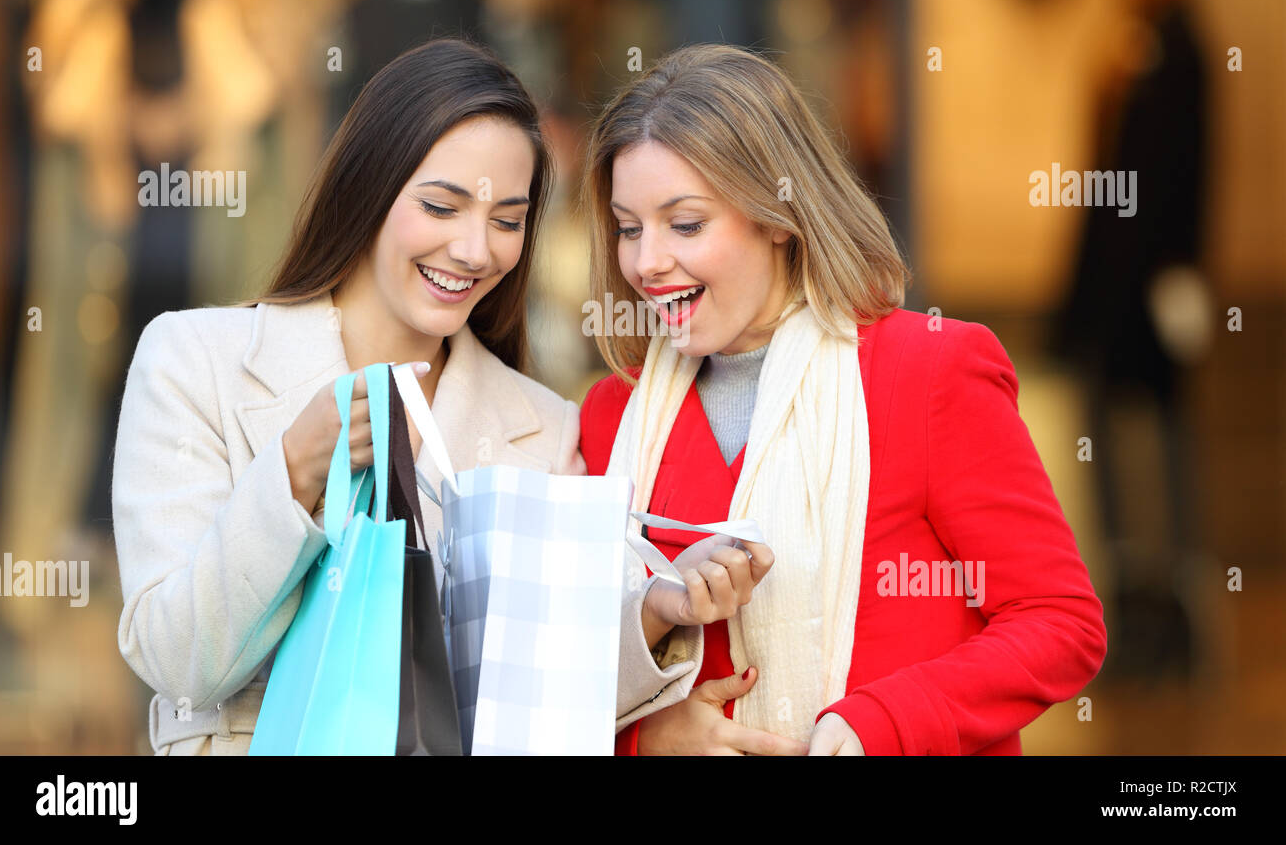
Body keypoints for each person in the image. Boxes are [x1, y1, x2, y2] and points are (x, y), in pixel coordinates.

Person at [578, 44, 1109, 755]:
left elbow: (1059, 622)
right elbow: (564, 675)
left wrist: (884, 723)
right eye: (628, 227)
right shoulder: (614, 417)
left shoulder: (931, 372)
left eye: (686, 223)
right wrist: (652, 739)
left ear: (775, 214)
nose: (646, 263)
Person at [112, 38, 591, 755]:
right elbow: (178, 665)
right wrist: (294, 475)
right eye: (441, 206)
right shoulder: (193, 362)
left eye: (506, 220)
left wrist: (653, 626)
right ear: (369, 187)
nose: (473, 249)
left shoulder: (546, 431)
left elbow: (544, 706)